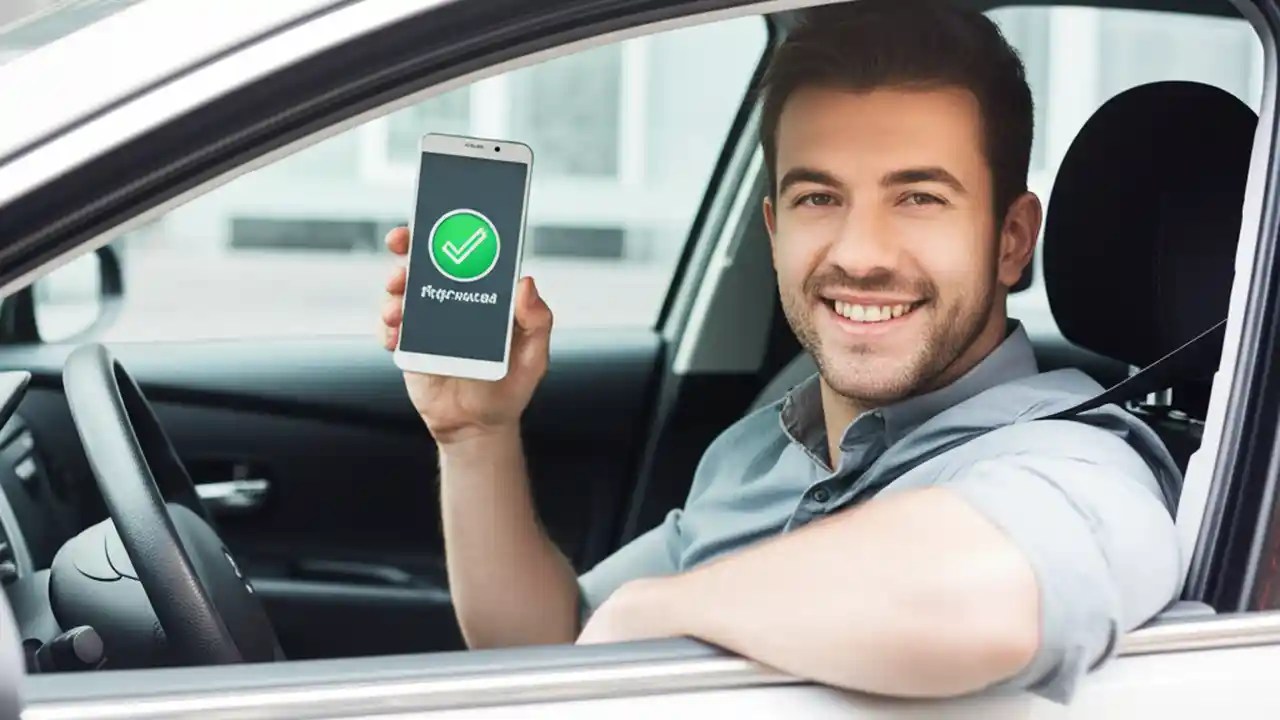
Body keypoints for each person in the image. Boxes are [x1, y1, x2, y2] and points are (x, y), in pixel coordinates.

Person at [377, 0, 1180, 703]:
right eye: (819, 197)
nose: (860, 254)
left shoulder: (1078, 457)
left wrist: (660, 608)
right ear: (774, 231)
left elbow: (992, 598)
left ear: (1011, 240)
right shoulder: (757, 454)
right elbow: (558, 647)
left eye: (918, 197)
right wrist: (475, 434)